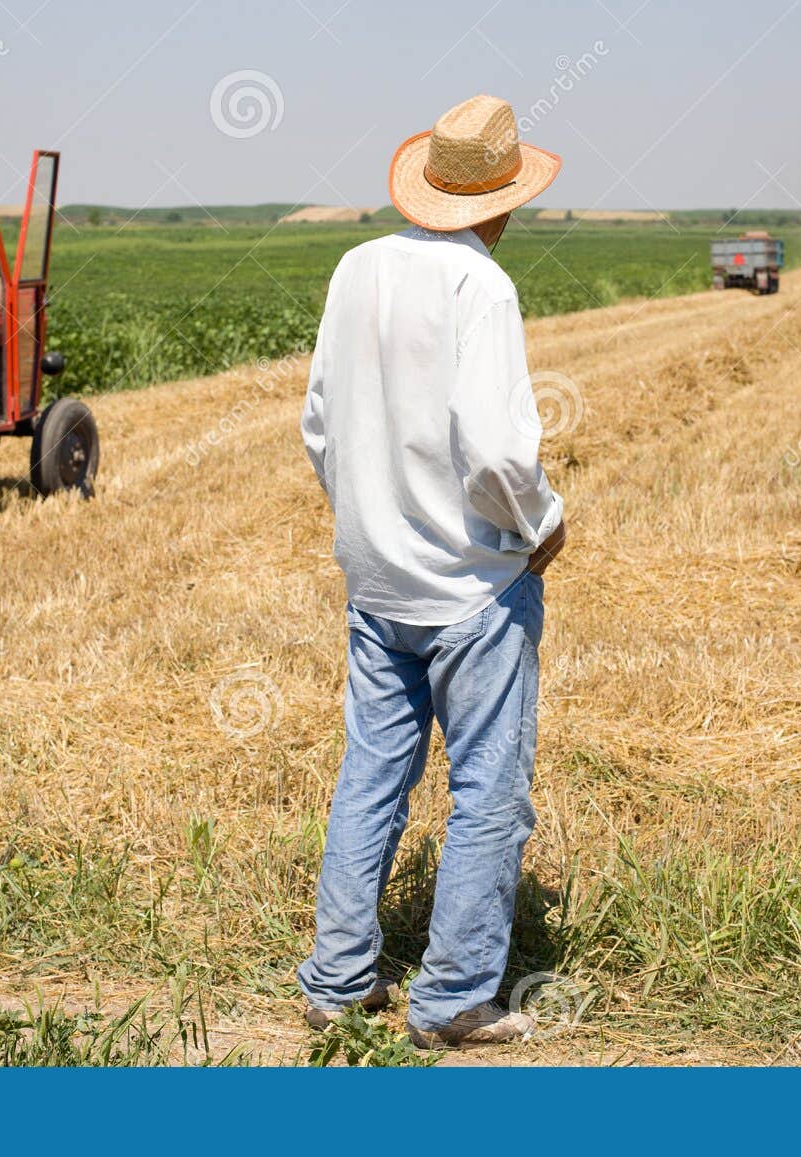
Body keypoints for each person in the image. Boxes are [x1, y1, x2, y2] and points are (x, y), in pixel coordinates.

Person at [296, 94, 567, 1049]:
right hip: (471, 591)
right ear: (506, 196)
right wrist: (543, 523)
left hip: (374, 583)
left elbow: (321, 423)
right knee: (489, 789)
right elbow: (494, 454)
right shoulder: (482, 287)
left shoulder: (355, 266)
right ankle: (453, 997)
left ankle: (336, 981)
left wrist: (372, 517)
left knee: (370, 774)